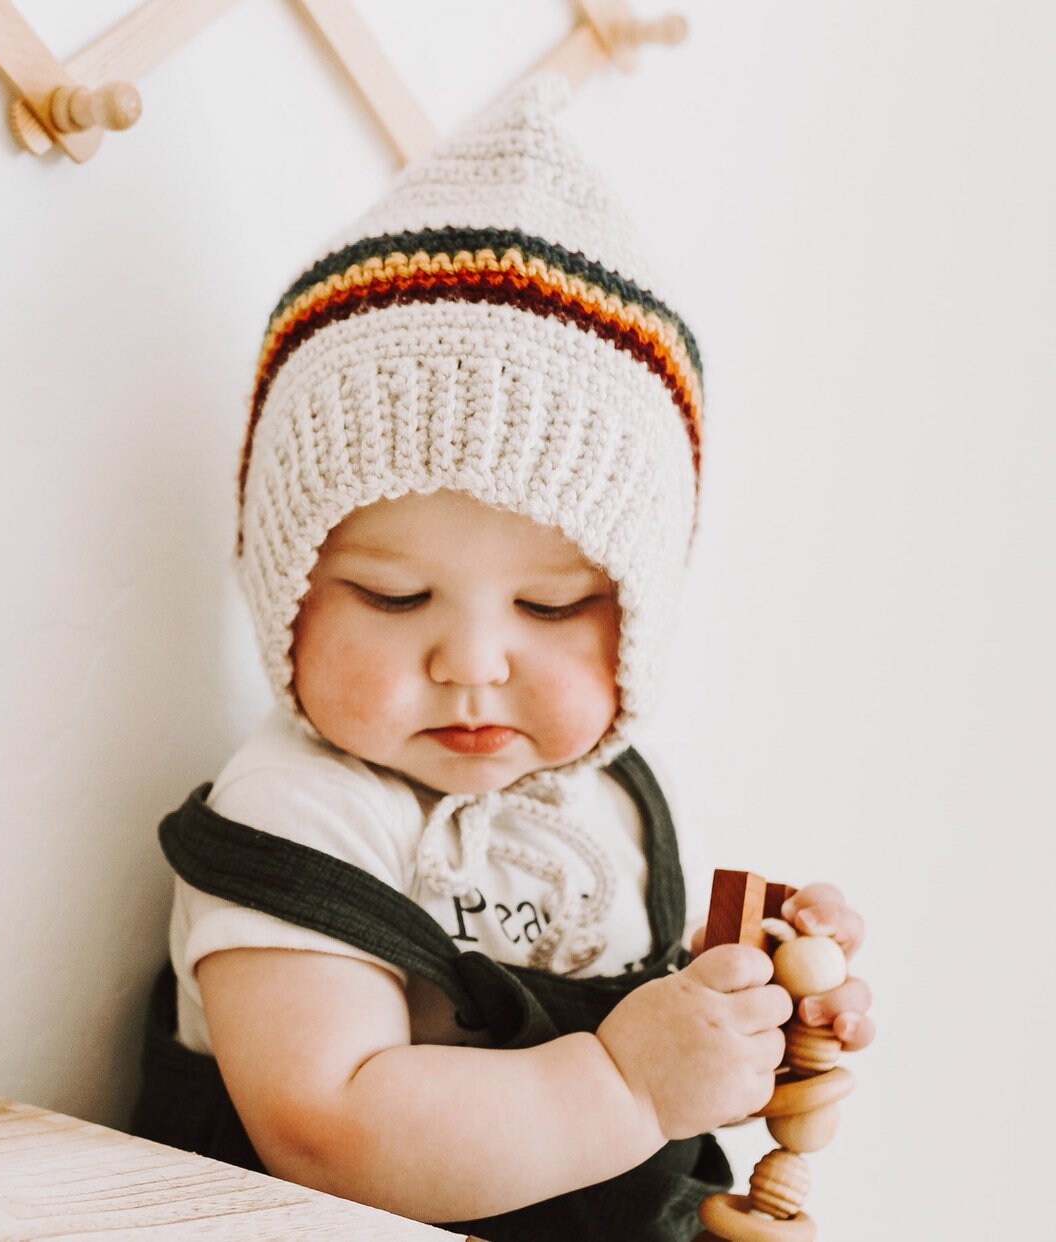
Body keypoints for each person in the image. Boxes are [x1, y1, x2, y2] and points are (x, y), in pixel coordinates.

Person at [129, 76, 874, 1240]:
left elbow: (647, 1066)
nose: (472, 663)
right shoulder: (300, 813)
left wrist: (742, 1021)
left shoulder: (613, 802)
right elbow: (322, 1133)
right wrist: (629, 1087)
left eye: (552, 605)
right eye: (394, 595)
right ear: (285, 590)